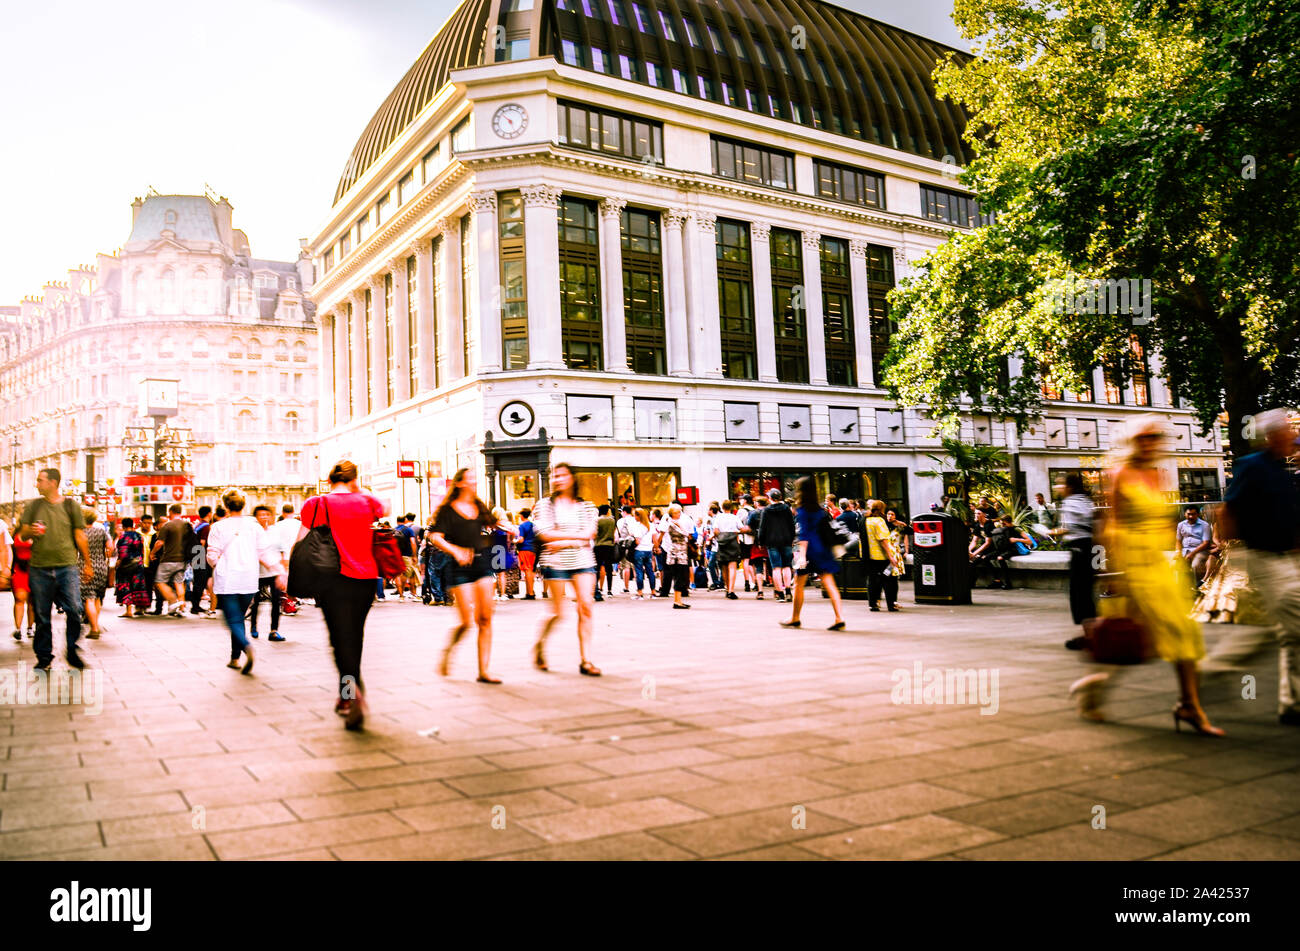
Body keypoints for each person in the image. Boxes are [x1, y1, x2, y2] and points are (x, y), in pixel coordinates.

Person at [1069, 416, 1222, 735]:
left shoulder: (1157, 475)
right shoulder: (1122, 474)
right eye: (1145, 438)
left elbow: (1165, 523)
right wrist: (1120, 573)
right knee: (1157, 635)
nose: (1152, 443)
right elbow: (1112, 526)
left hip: (1159, 565)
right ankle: (1187, 705)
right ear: (1134, 442)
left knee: (1161, 637)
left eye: (1156, 437)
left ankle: (1182, 703)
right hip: (1138, 566)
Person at [1200, 409, 1300, 724]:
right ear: (1272, 436)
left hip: (1282, 557)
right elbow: (1226, 510)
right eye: (1287, 432)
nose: (1293, 439)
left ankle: (1214, 672)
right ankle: (1214, 672)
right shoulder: (1252, 466)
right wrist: (1235, 554)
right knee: (1291, 627)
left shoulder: (1279, 469)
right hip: (1263, 557)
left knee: (1277, 631)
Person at [298, 462, 389, 729]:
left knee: (339, 639)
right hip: (366, 579)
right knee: (355, 636)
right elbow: (386, 507)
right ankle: (347, 694)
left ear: (329, 480)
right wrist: (358, 489)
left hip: (331, 579)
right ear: (353, 479)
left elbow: (301, 540)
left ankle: (352, 693)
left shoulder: (316, 504)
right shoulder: (367, 501)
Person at [16, 468, 92, 670]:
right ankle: (44, 657)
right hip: (39, 567)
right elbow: (22, 535)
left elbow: (80, 535)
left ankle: (72, 649)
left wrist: (88, 564)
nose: (37, 484)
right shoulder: (34, 506)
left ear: (53, 482)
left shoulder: (70, 505)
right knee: (42, 616)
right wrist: (28, 530)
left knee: (75, 610)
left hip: (67, 566)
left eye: (40, 480)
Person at [429, 468, 501, 683]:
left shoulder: (479, 505)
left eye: (475, 479)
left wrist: (510, 529)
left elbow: (493, 524)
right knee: (466, 622)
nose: (474, 482)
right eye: (470, 479)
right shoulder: (448, 510)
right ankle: (449, 651)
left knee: (485, 619)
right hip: (459, 568)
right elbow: (434, 536)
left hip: (483, 564)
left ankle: (484, 670)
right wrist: (456, 550)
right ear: (459, 483)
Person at [532, 462, 601, 675]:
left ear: (572, 478)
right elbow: (544, 533)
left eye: (562, 475)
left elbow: (590, 533)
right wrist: (576, 537)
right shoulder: (545, 505)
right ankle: (540, 644)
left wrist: (562, 541)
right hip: (556, 562)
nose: (557, 479)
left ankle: (586, 660)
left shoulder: (586, 506)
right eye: (555, 476)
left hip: (583, 561)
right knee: (558, 613)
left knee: (586, 607)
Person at [207, 490, 281, 677]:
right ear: (243, 505)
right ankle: (234, 658)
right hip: (248, 578)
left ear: (225, 505)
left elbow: (211, 555)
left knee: (232, 619)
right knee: (239, 617)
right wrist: (280, 571)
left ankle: (247, 647)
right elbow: (264, 552)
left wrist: (216, 565)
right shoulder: (254, 526)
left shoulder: (218, 527)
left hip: (228, 578)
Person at [780, 478, 846, 631]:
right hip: (824, 549)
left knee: (798, 584)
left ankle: (795, 618)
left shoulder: (802, 510)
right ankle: (839, 617)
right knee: (829, 583)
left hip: (810, 551)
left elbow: (804, 535)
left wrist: (802, 556)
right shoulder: (820, 510)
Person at [1052, 474, 1097, 644]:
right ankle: (1091, 634)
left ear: (1069, 487)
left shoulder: (1069, 502)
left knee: (1079, 593)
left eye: (1060, 485)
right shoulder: (1086, 501)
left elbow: (1070, 528)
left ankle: (1090, 636)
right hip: (1091, 548)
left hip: (1078, 550)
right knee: (1086, 591)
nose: (1058, 488)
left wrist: (1050, 532)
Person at [247, 505, 285, 642]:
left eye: (266, 514)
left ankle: (274, 630)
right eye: (260, 515)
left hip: (274, 572)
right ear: (256, 517)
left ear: (271, 516)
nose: (264, 517)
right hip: (257, 573)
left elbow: (282, 551)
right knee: (256, 602)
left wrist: (283, 571)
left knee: (276, 601)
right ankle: (253, 627)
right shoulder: (252, 532)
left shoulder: (275, 531)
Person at [150, 503, 192, 617]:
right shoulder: (187, 525)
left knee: (159, 581)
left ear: (171, 512)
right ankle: (181, 607)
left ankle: (173, 601)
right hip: (183, 560)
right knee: (179, 582)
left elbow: (159, 542)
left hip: (169, 559)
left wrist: (152, 553)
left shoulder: (167, 526)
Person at [863, 499, 903, 611]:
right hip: (882, 557)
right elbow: (883, 540)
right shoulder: (879, 521)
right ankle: (891, 604)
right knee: (889, 580)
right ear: (881, 509)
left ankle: (873, 604)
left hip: (870, 556)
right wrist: (891, 557)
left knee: (872, 580)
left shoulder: (866, 520)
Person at [79, 507, 112, 639]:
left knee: (89, 598)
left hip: (84, 566)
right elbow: (110, 547)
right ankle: (96, 623)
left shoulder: (79, 533)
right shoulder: (102, 531)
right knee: (98, 597)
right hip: (101, 567)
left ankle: (94, 628)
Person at [759, 488, 797, 603]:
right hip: (786, 540)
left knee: (776, 567)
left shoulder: (766, 510)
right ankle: (788, 591)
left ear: (770, 498)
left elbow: (762, 527)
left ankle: (780, 593)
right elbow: (792, 525)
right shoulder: (786, 509)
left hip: (772, 541)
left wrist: (761, 541)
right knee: (786, 566)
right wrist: (792, 538)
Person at [113, 517, 149, 619]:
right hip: (138, 563)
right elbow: (142, 549)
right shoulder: (138, 535)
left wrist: (119, 562)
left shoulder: (123, 536)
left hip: (127, 565)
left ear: (123, 526)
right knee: (138, 585)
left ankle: (129, 611)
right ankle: (140, 608)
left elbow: (123, 552)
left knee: (126, 585)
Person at [711, 500, 743, 599]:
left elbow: (715, 530)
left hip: (722, 543)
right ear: (731, 507)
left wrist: (721, 536)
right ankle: (731, 590)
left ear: (722, 507)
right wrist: (736, 532)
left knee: (724, 566)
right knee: (732, 566)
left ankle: (727, 587)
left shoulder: (718, 518)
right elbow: (741, 528)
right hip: (733, 542)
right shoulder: (735, 517)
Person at [1176, 506, 1213, 585]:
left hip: (1200, 550)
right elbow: (1178, 540)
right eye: (1189, 514)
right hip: (1185, 550)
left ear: (1197, 514)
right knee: (1178, 565)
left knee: (1195, 565)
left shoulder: (1204, 525)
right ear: (1185, 514)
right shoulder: (1181, 525)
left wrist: (1192, 553)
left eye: (1193, 514)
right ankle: (1183, 589)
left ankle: (1198, 587)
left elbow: (1206, 543)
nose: (1191, 516)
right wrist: (1178, 551)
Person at [489, 508, 519, 602]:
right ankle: (502, 594)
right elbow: (512, 537)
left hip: (493, 549)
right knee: (502, 574)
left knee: (492, 574)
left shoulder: (493, 525)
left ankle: (493, 594)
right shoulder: (507, 526)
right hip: (503, 549)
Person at [189, 506, 213, 614]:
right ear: (209, 514)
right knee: (200, 581)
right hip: (200, 556)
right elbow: (203, 542)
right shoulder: (206, 526)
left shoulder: (197, 525)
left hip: (195, 555)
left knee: (198, 581)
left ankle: (195, 604)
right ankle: (195, 606)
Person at [628, 507, 655, 599]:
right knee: (650, 571)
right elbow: (654, 539)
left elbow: (637, 541)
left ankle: (640, 593)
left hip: (639, 550)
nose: (634, 517)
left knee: (639, 572)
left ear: (639, 516)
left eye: (635, 515)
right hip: (648, 550)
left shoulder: (638, 526)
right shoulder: (651, 525)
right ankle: (653, 592)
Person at [747, 496, 769, 598]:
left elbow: (749, 526)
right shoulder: (770, 512)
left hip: (757, 542)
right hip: (771, 541)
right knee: (775, 567)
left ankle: (760, 591)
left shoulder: (753, 513)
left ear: (757, 503)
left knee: (759, 567)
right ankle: (779, 591)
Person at [593, 504, 617, 601]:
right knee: (608, 568)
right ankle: (609, 590)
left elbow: (595, 533)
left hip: (598, 545)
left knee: (597, 568)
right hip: (609, 545)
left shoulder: (597, 520)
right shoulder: (612, 520)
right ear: (607, 511)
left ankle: (597, 588)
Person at [516, 508, 538, 599]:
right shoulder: (533, 525)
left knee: (527, 571)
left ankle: (530, 593)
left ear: (521, 515)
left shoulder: (522, 526)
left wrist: (515, 541)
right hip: (533, 549)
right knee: (531, 570)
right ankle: (531, 591)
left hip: (525, 549)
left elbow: (521, 539)